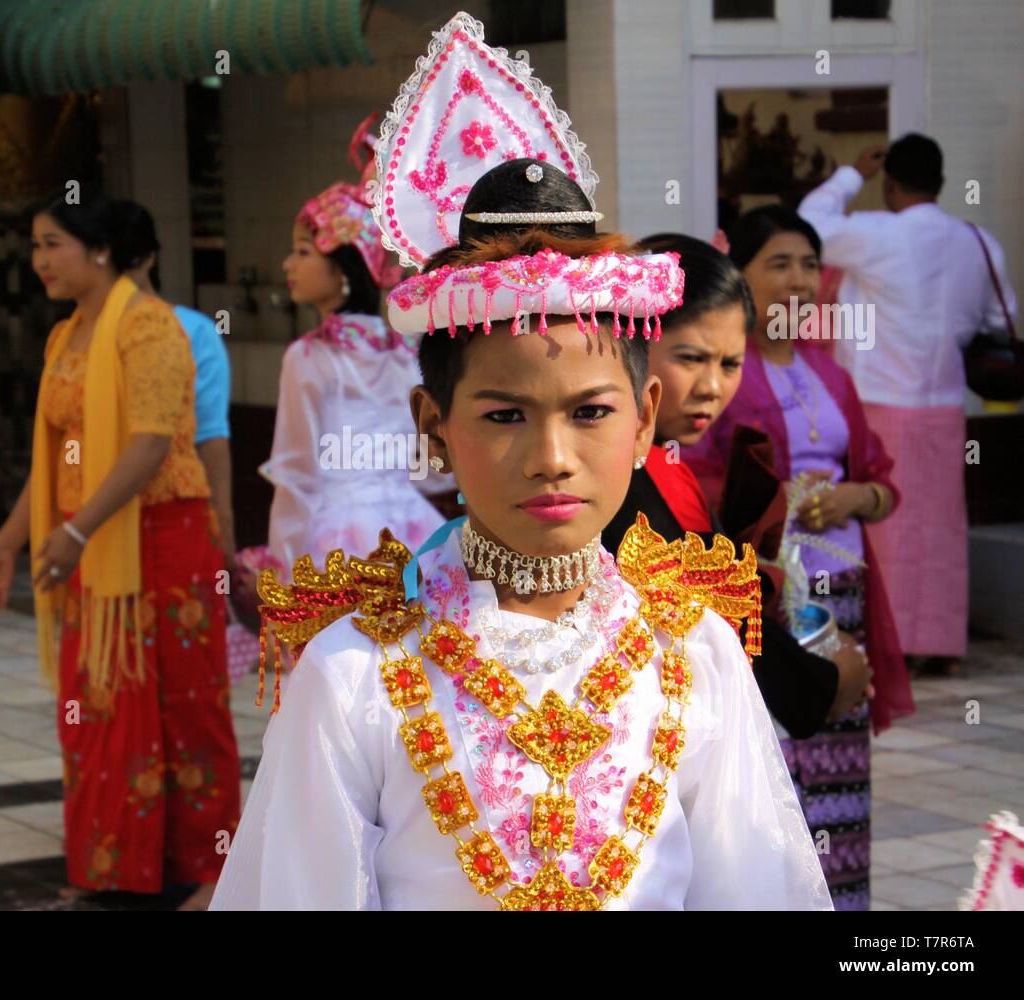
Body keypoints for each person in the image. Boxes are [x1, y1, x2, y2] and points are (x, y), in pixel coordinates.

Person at [211, 13, 829, 910]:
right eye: (503, 415)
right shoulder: (353, 673)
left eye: (591, 413)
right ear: (433, 426)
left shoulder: (695, 650)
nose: (551, 458)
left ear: (645, 415)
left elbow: (753, 894)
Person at [0, 189, 239, 910]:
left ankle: (212, 874)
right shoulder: (66, 337)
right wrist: (5, 544)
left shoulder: (149, 327)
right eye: (34, 246)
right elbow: (53, 461)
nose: (38, 261)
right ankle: (112, 872)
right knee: (98, 704)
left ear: (98, 249)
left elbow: (151, 443)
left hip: (165, 536)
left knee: (187, 708)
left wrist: (79, 528)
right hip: (95, 539)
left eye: (51, 244)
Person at [683, 205, 915, 910]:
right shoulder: (724, 372)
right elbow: (693, 479)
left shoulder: (829, 371)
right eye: (778, 263)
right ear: (743, 279)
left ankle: (845, 905)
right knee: (773, 759)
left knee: (841, 761)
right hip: (766, 590)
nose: (799, 280)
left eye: (809, 264)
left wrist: (853, 499)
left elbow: (884, 482)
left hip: (842, 587)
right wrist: (777, 497)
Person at [602, 233, 873, 739]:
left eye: (730, 364)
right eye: (690, 358)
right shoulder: (642, 469)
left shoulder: (655, 461)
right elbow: (721, 623)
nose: (712, 387)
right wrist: (828, 683)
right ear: (632, 342)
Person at [799, 134, 1018, 676]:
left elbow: (810, 225)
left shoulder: (878, 233)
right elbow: (999, 318)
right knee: (939, 526)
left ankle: (891, 645)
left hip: (878, 401)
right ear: (942, 183)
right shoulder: (979, 241)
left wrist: (852, 174)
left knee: (885, 527)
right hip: (945, 405)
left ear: (890, 184)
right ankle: (936, 643)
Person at [261, 115, 448, 573]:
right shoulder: (406, 350)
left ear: (344, 268)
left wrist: (282, 563)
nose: (288, 265)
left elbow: (298, 473)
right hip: (411, 529)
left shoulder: (307, 356)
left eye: (304, 252)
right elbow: (430, 466)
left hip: (334, 537)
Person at [113, 201, 238, 573]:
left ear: (148, 258)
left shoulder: (194, 332)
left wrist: (225, 532)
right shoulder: (82, 337)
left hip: (173, 515)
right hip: (100, 519)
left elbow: (211, 436)